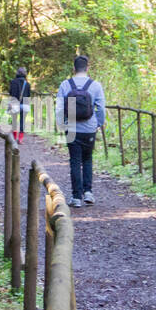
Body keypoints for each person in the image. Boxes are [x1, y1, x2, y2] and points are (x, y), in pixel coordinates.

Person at [55, 55, 105, 208]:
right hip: (89, 129)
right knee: (87, 159)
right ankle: (88, 192)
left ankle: (76, 197)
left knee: (75, 161)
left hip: (71, 129)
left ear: (73, 68)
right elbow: (101, 108)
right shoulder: (95, 85)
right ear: (87, 68)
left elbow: (59, 108)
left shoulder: (65, 84)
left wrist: (61, 124)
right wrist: (99, 123)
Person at [7, 66, 31, 143]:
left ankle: (14, 137)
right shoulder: (27, 84)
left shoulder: (13, 82)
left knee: (14, 120)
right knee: (22, 121)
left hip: (15, 104)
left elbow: (11, 93)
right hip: (25, 104)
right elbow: (28, 95)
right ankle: (20, 139)